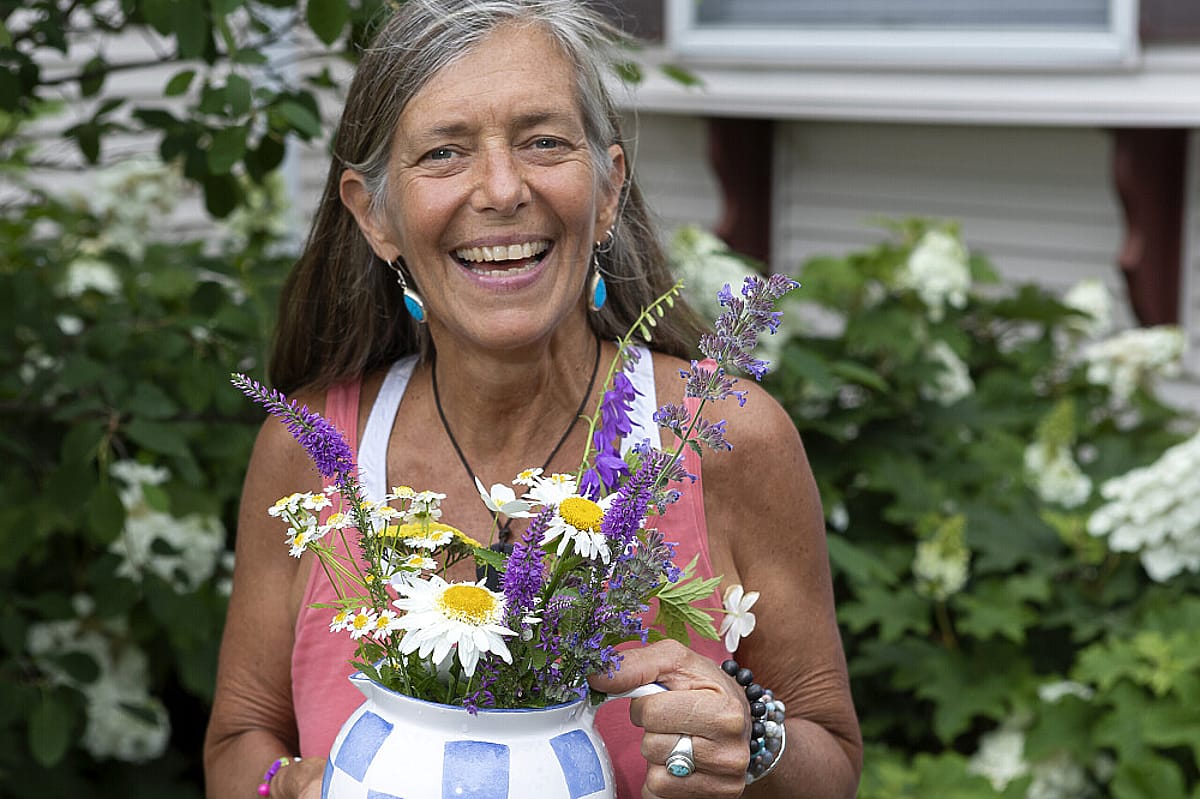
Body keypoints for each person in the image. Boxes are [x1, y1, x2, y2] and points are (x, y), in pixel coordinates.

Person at [202, 1, 862, 797]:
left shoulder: (720, 436)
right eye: (444, 153)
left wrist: (751, 742)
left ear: (610, 187)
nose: (503, 189)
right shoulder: (311, 449)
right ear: (375, 215)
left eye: (544, 141)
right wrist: (288, 788)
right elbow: (239, 738)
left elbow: (832, 762)